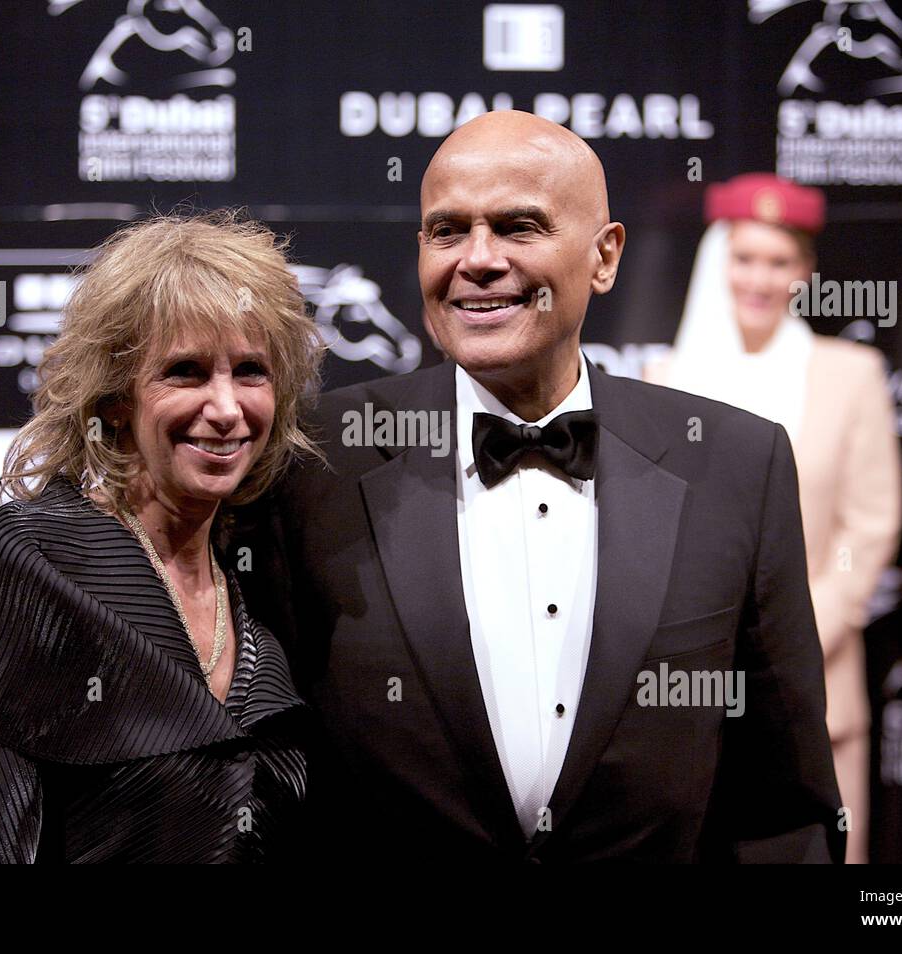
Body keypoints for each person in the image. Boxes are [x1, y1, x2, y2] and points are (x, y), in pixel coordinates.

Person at [246, 112, 844, 862]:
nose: (479, 259)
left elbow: (784, 807)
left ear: (605, 256)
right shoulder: (313, 458)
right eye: (447, 231)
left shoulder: (734, 464)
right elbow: (267, 777)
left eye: (519, 226)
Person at [0, 211, 324, 862]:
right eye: (187, 372)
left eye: (251, 371)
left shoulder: (259, 584)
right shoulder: (33, 567)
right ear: (118, 397)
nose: (228, 409)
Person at [644, 173, 902, 863]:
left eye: (779, 261)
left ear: (805, 273)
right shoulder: (665, 378)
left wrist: (803, 632)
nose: (759, 279)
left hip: (818, 681)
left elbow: (872, 520)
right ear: (718, 261)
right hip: (690, 689)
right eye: (745, 257)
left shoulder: (852, 374)